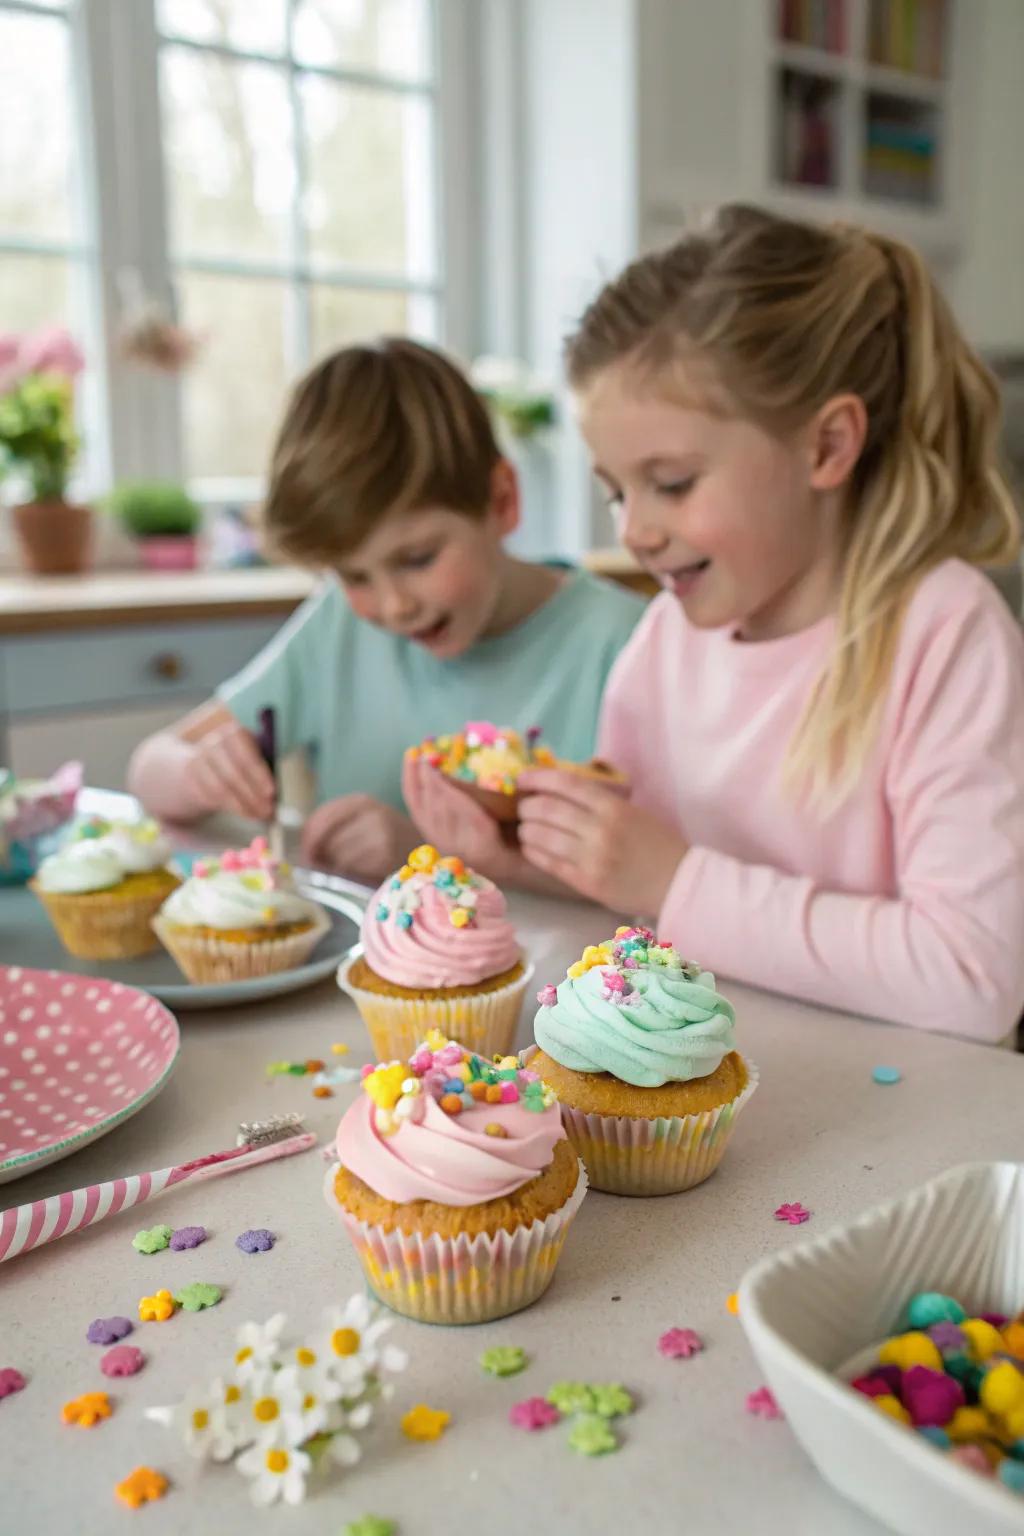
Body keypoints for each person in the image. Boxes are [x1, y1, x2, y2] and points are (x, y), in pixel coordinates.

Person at [406, 206, 1024, 1043]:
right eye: (617, 491)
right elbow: (646, 902)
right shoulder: (667, 637)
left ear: (827, 446)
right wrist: (530, 859)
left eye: (671, 481)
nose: (634, 531)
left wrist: (673, 879)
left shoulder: (945, 633)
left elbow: (973, 978)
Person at [127, 338, 643, 882]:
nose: (394, 606)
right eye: (353, 575)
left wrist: (429, 854)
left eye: (417, 559)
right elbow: (149, 765)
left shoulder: (624, 643)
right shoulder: (340, 627)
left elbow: (657, 874)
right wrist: (198, 773)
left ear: (501, 500)